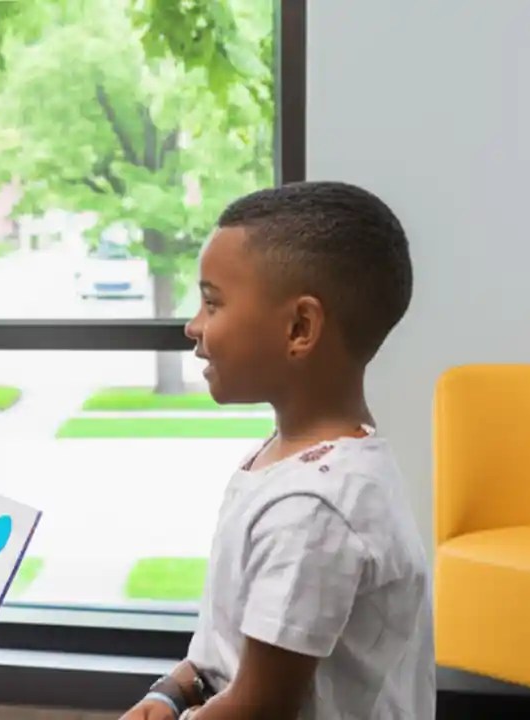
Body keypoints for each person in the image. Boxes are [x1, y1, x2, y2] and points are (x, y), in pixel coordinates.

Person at [122, 182, 434, 720]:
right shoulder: (289, 464)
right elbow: (228, 651)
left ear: (300, 328)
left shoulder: (315, 509)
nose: (193, 326)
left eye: (213, 302)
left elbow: (260, 707)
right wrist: (171, 693)